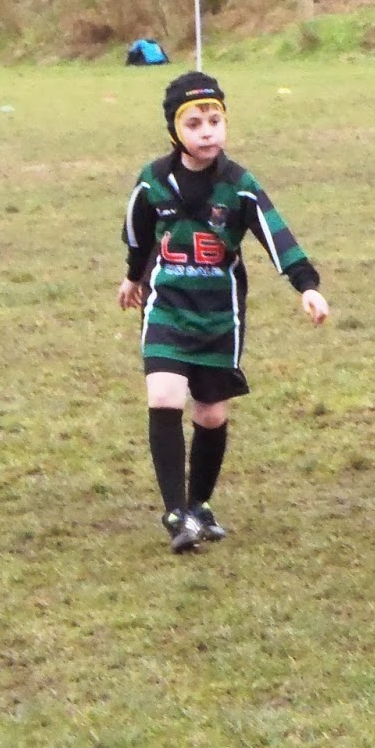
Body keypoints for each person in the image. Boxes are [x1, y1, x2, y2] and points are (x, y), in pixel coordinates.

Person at [119, 71, 330, 552]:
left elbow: (277, 236)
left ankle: (200, 505)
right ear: (175, 131)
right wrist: (133, 276)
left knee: (211, 415)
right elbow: (137, 233)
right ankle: (176, 513)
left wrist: (307, 286)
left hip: (219, 317)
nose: (208, 131)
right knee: (164, 396)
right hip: (167, 309)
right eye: (194, 123)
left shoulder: (239, 185)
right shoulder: (152, 181)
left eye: (215, 120)